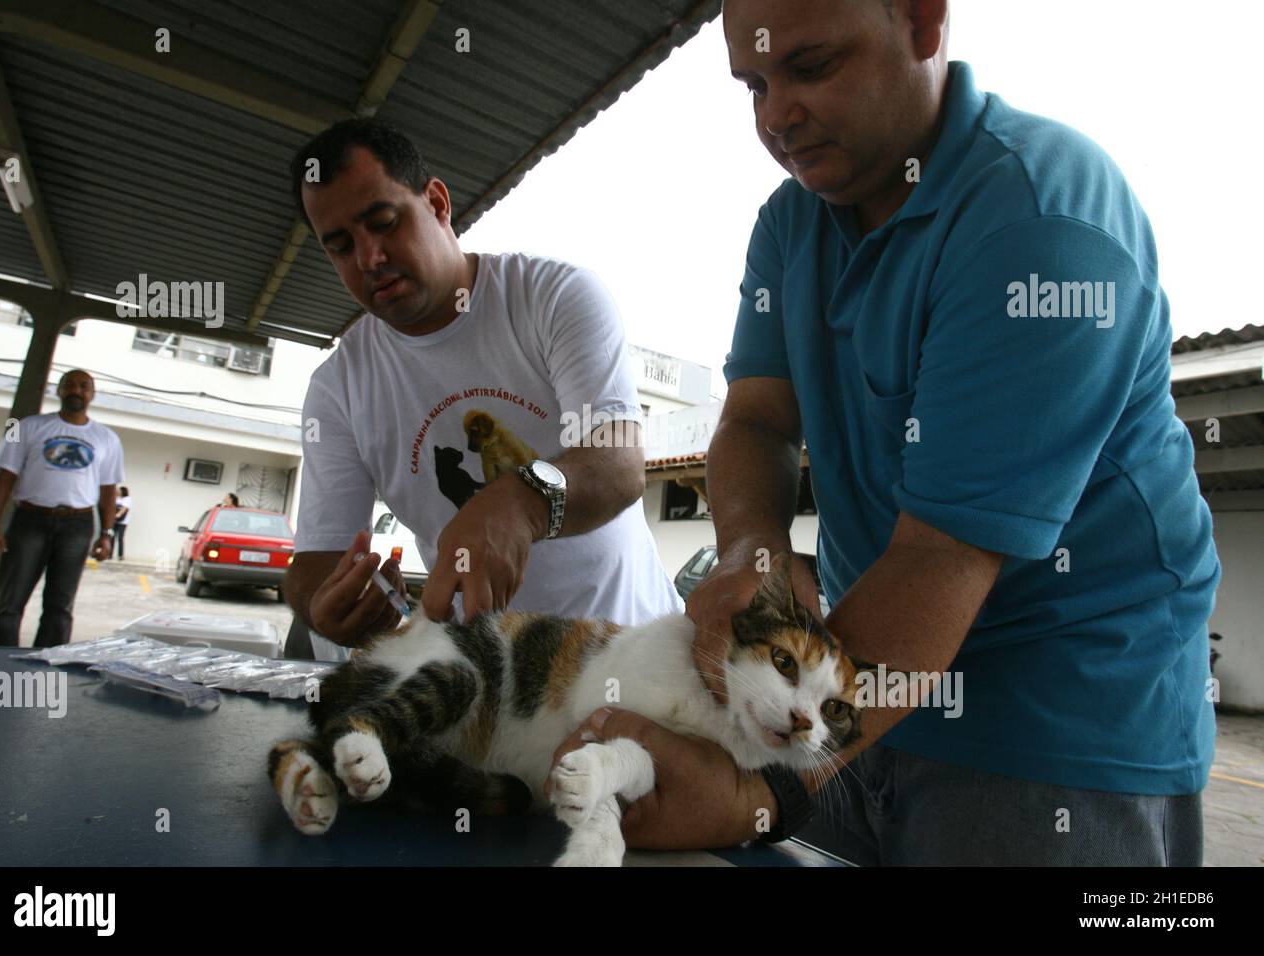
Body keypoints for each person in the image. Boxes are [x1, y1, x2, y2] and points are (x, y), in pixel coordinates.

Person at [557, 0, 1218, 866]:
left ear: (922, 20)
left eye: (812, 66)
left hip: (1051, 738)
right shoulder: (791, 224)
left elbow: (943, 555)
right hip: (863, 680)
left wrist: (759, 794)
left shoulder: (1039, 225)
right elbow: (755, 422)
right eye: (752, 84)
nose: (774, 116)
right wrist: (754, 552)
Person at [283, 118, 681, 650]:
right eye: (339, 246)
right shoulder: (339, 387)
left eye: (383, 222)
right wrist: (322, 607)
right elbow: (317, 558)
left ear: (438, 204)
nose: (369, 259)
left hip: (633, 655)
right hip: (495, 693)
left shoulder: (553, 298)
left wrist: (521, 501)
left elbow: (617, 462)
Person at [0, 369, 125, 647]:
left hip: (78, 525)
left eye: (84, 386)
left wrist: (106, 534)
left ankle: (47, 671)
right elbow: (3, 479)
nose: (76, 390)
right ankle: (1, 669)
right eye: (69, 385)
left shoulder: (108, 439)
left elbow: (108, 490)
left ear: (92, 395)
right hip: (29, 520)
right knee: (10, 602)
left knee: (60, 607)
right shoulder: (23, 426)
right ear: (58, 391)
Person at [112, 485, 131, 560]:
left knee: (120, 538)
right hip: (114, 521)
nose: (117, 492)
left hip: (123, 522)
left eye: (119, 491)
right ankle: (109, 554)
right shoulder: (117, 498)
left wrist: (118, 515)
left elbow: (124, 508)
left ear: (123, 491)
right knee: (112, 537)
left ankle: (121, 555)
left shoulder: (127, 499)